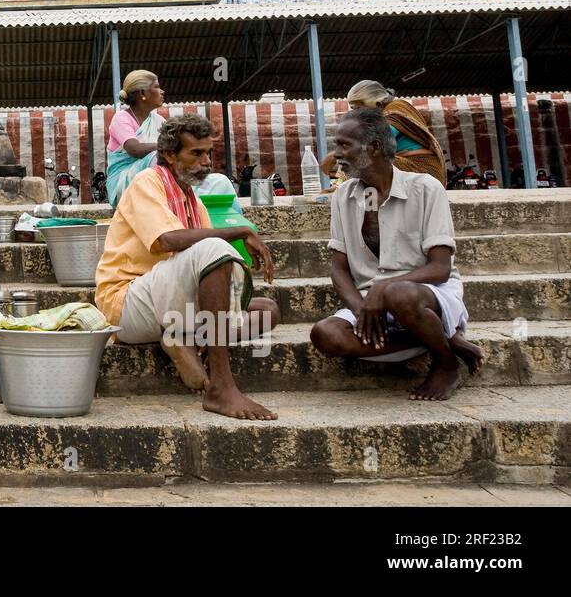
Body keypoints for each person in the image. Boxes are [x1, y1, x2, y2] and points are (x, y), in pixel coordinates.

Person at [94, 114, 281, 420]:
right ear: (169, 155)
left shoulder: (193, 199)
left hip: (170, 304)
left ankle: (182, 337)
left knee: (266, 310)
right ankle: (221, 388)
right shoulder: (147, 182)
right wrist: (240, 231)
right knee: (215, 248)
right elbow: (167, 240)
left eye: (208, 153)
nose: (206, 162)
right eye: (196, 153)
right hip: (127, 305)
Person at [309, 108, 482, 401]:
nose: (336, 154)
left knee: (399, 294)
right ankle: (445, 341)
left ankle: (446, 363)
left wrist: (384, 287)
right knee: (324, 334)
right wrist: (359, 307)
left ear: (374, 148)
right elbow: (338, 268)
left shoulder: (426, 188)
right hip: (372, 305)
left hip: (426, 296)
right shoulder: (343, 196)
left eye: (344, 145)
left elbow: (440, 268)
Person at [320, 80, 446, 185]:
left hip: (424, 169)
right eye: (353, 109)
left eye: (358, 108)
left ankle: (342, 186)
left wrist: (334, 155)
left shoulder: (396, 109)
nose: (355, 114)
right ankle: (342, 187)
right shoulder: (379, 115)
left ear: (378, 103)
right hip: (407, 170)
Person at [105, 70, 166, 206]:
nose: (162, 91)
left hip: (152, 178)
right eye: (156, 87)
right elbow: (134, 149)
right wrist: (166, 146)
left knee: (218, 181)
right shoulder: (121, 118)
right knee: (160, 156)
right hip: (122, 182)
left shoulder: (159, 121)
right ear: (142, 93)